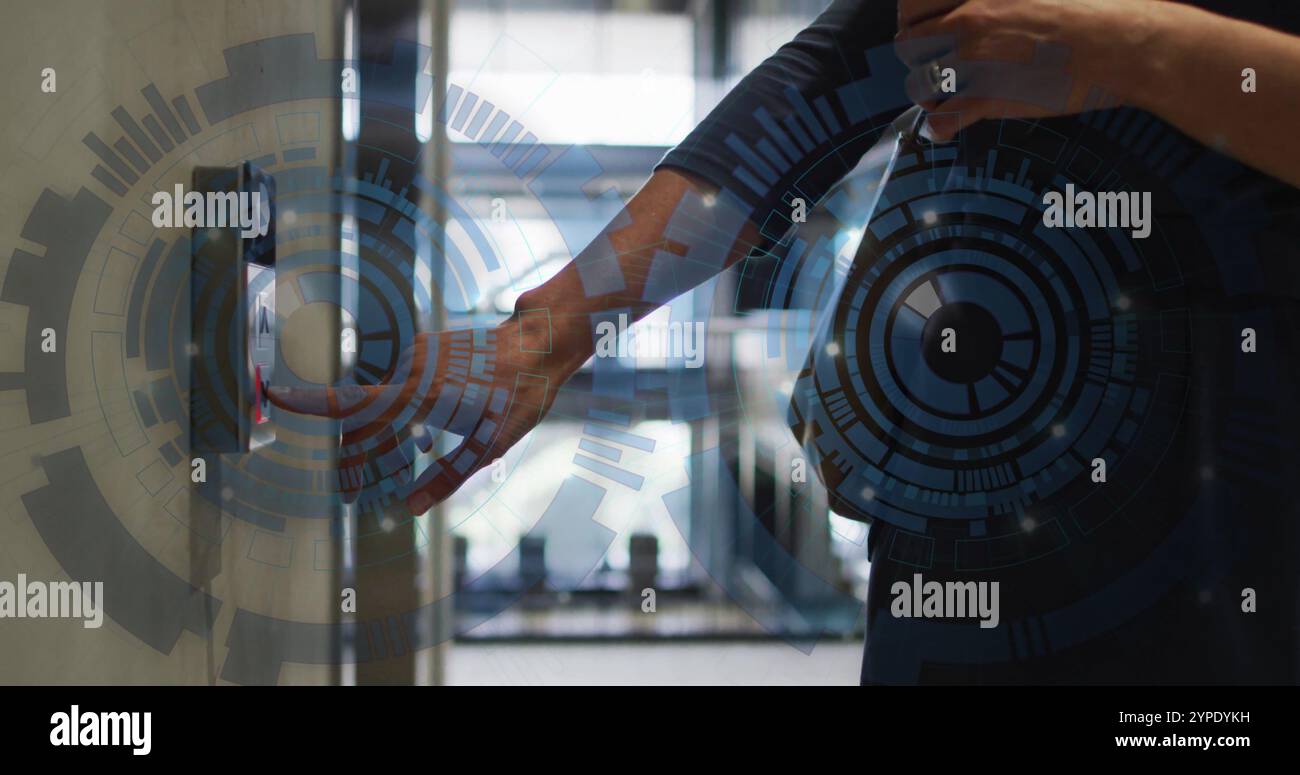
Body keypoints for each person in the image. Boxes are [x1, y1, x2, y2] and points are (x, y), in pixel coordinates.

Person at [273, 0, 1300, 683]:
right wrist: (548, 330)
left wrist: (1133, 49)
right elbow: (827, 89)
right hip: (974, 512)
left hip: (1222, 500)